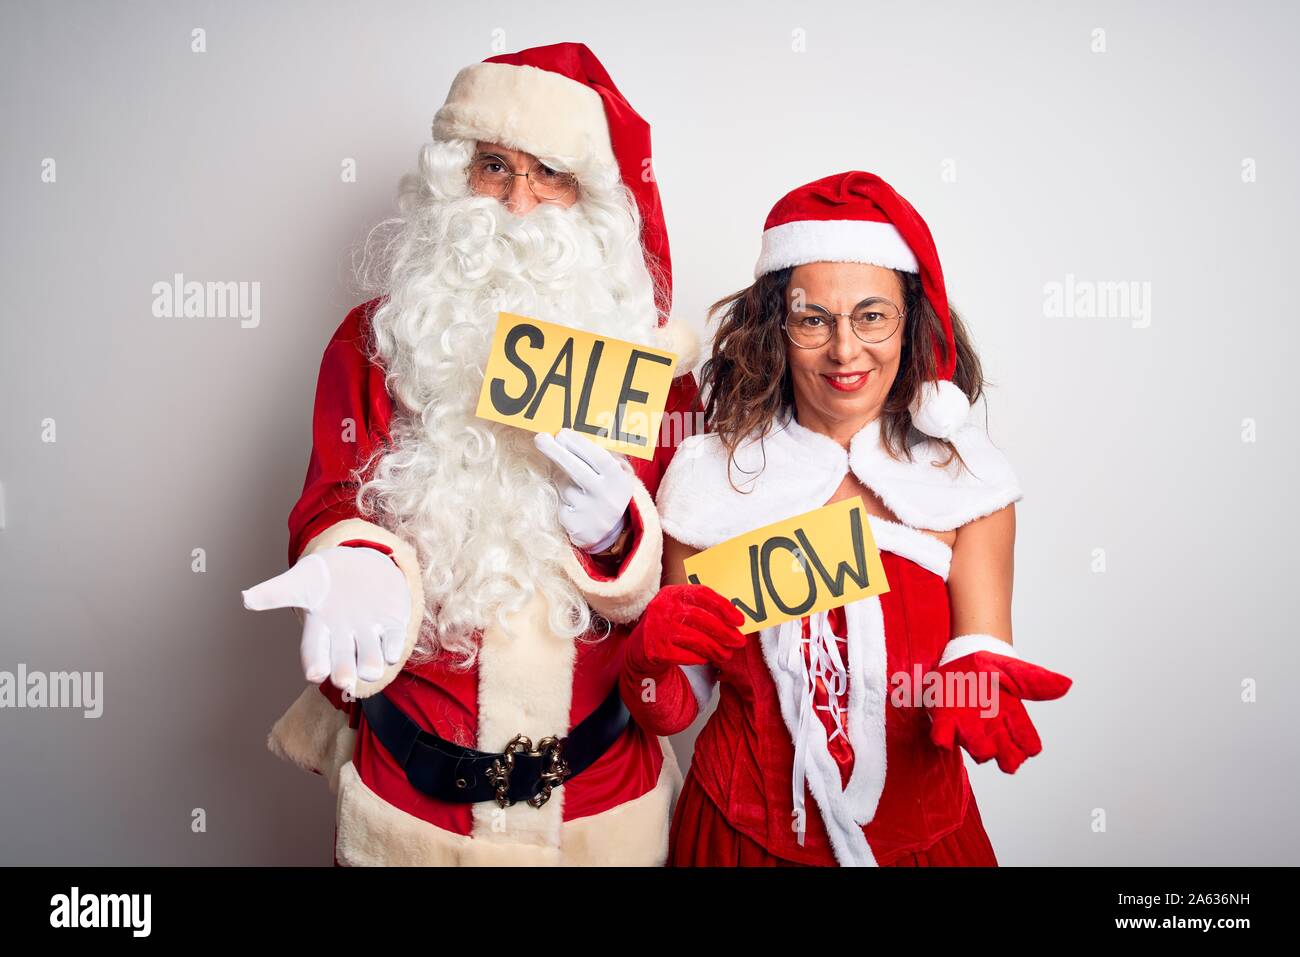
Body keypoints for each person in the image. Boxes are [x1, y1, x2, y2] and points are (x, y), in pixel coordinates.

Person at [241, 42, 700, 866]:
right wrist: (357, 562)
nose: (518, 204)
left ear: (593, 200)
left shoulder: (655, 379)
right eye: (494, 166)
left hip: (595, 811)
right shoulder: (373, 341)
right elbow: (330, 497)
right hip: (411, 808)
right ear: (456, 177)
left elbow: (686, 591)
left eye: (550, 174)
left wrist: (617, 540)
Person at [620, 171, 1073, 866]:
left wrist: (977, 684)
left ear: (911, 321)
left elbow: (977, 649)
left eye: (871, 316)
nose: (844, 349)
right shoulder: (706, 478)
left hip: (923, 844)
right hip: (737, 841)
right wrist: (646, 657)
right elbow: (673, 706)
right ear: (776, 326)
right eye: (812, 319)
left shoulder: (968, 481)